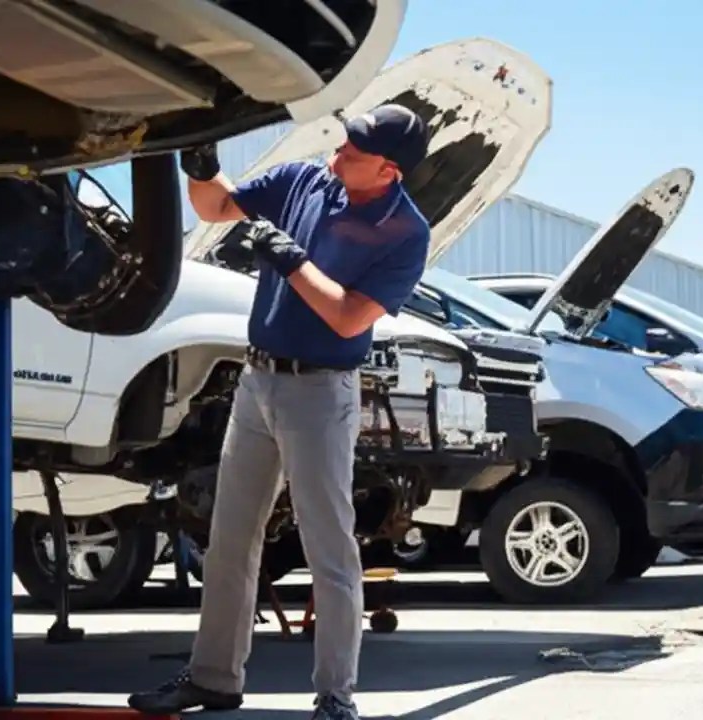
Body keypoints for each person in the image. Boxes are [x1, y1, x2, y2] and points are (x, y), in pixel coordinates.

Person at [127, 104, 431, 720]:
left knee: (329, 546)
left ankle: (336, 696)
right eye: (346, 137)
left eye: (357, 148)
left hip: (321, 394)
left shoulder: (405, 233)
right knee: (229, 540)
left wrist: (292, 261)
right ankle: (213, 679)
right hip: (258, 379)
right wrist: (202, 164)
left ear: (389, 172)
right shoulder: (303, 181)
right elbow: (215, 206)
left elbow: (348, 316)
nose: (340, 149)